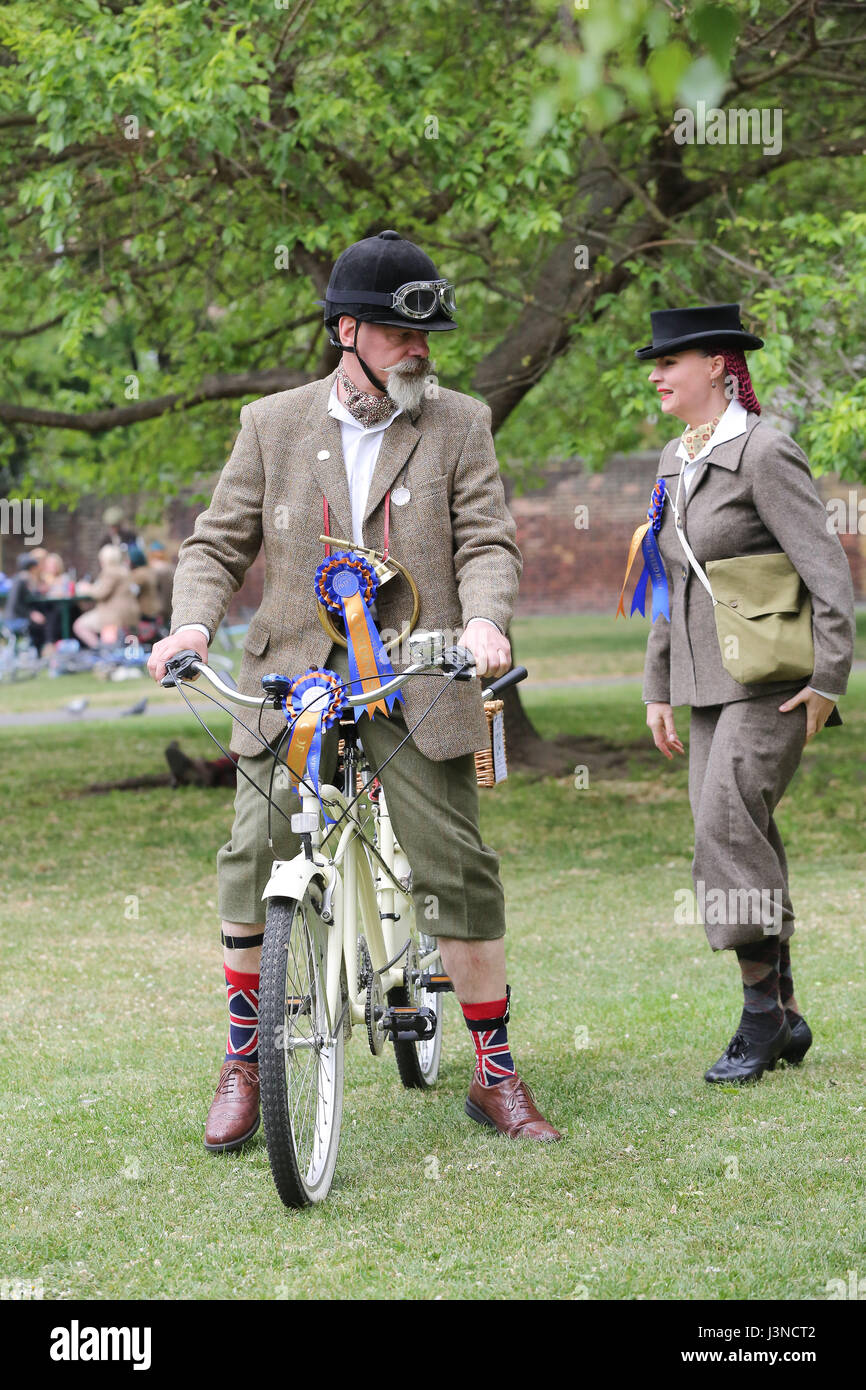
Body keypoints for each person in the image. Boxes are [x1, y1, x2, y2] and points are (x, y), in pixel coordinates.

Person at [148, 228, 561, 1149]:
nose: (420, 349)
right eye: (397, 331)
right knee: (253, 852)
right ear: (346, 331)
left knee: (454, 862)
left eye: (428, 334)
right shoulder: (273, 423)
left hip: (416, 675)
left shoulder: (459, 422)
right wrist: (189, 623)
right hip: (291, 677)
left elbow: (489, 541)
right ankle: (246, 1057)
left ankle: (494, 1070)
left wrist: (487, 620)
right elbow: (216, 544)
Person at [632, 303, 855, 1083]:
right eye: (653, 364)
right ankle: (787, 1010)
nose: (656, 374)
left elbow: (827, 570)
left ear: (719, 367)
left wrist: (831, 678)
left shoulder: (764, 451)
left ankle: (759, 1015)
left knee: (724, 825)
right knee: (737, 827)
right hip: (703, 683)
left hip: (775, 681)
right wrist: (658, 686)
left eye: (670, 362)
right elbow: (668, 581)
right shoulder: (674, 456)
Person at [73, 543, 140, 649]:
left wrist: (86, 588)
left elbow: (100, 593)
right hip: (128, 613)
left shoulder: (110, 572)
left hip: (113, 615)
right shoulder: (124, 570)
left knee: (79, 625)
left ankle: (100, 649)